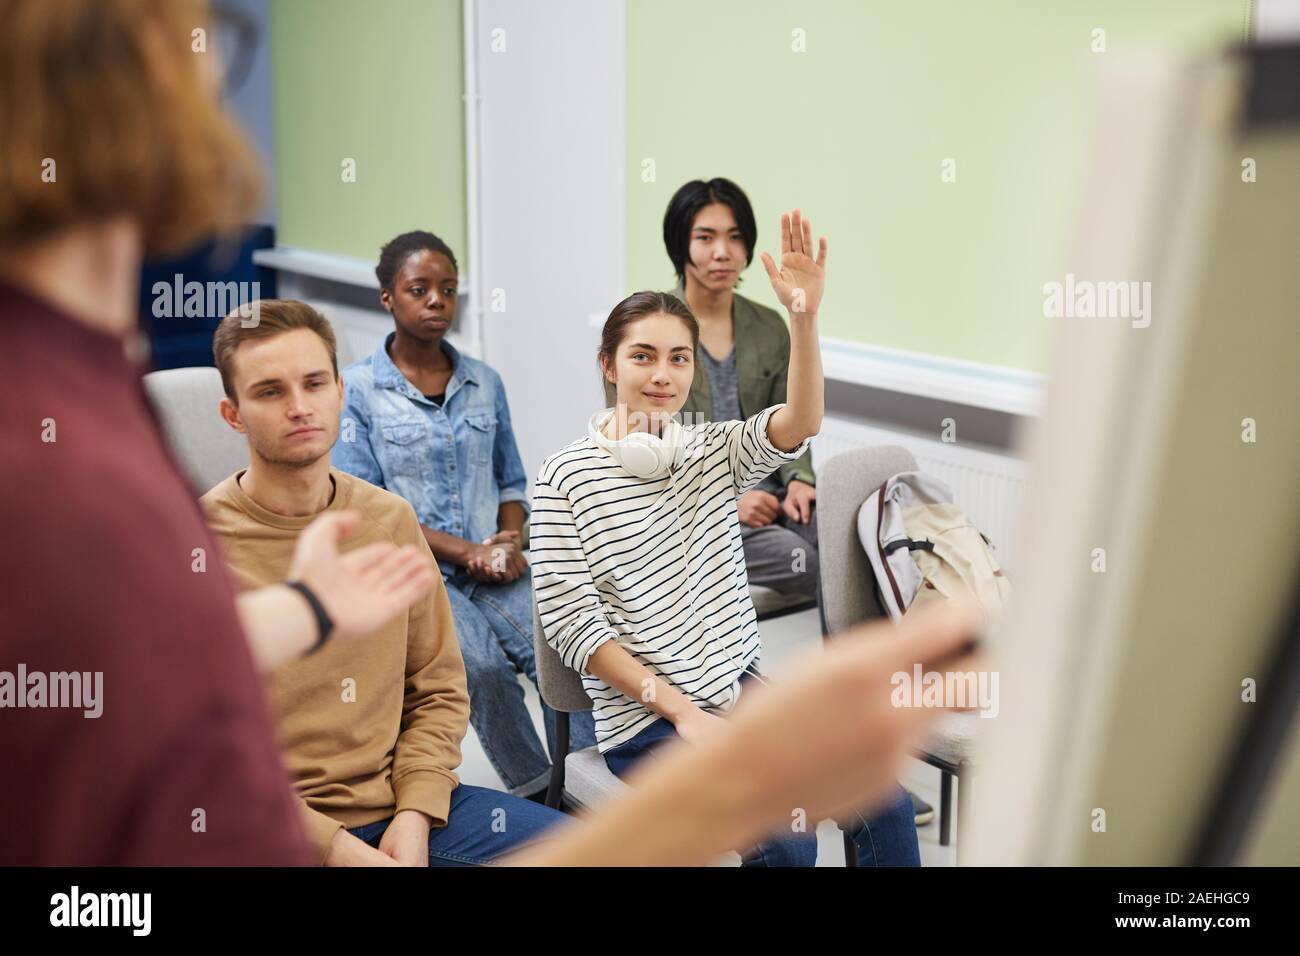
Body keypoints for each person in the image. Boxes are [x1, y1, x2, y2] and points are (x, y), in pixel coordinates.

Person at [0, 0, 438, 865]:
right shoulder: (47, 453)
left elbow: (119, 667)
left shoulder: (84, 376)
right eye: (205, 34)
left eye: (317, 382)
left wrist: (303, 607)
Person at [535, 212, 919, 865]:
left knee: (883, 795)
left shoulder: (710, 449)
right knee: (788, 837)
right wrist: (683, 714)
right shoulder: (563, 479)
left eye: (678, 358)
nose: (661, 374)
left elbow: (802, 419)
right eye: (642, 356)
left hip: (738, 692)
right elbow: (579, 634)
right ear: (608, 364)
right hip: (647, 723)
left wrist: (803, 317)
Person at [202, 300, 566, 864]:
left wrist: (416, 814)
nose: (300, 407)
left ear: (341, 392)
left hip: (407, 811)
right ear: (233, 414)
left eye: (314, 383)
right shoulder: (192, 548)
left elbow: (438, 687)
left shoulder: (389, 518)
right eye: (270, 392)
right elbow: (203, 754)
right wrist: (338, 850)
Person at [332, 231, 594, 800]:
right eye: (418, 289)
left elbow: (512, 480)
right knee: (480, 669)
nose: (435, 302)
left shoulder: (484, 381)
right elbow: (368, 509)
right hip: (417, 574)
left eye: (447, 290)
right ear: (387, 298)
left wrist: (509, 539)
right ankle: (537, 796)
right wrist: (468, 552)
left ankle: (582, 790)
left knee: (564, 648)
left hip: (494, 564)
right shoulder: (354, 390)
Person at [609, 178, 819, 601]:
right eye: (705, 237)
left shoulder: (768, 325)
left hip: (775, 496)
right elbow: (635, 444)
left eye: (735, 237)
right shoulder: (655, 327)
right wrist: (731, 497)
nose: (722, 252)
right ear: (680, 244)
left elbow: (793, 415)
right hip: (695, 508)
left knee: (845, 537)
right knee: (807, 561)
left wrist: (798, 479)